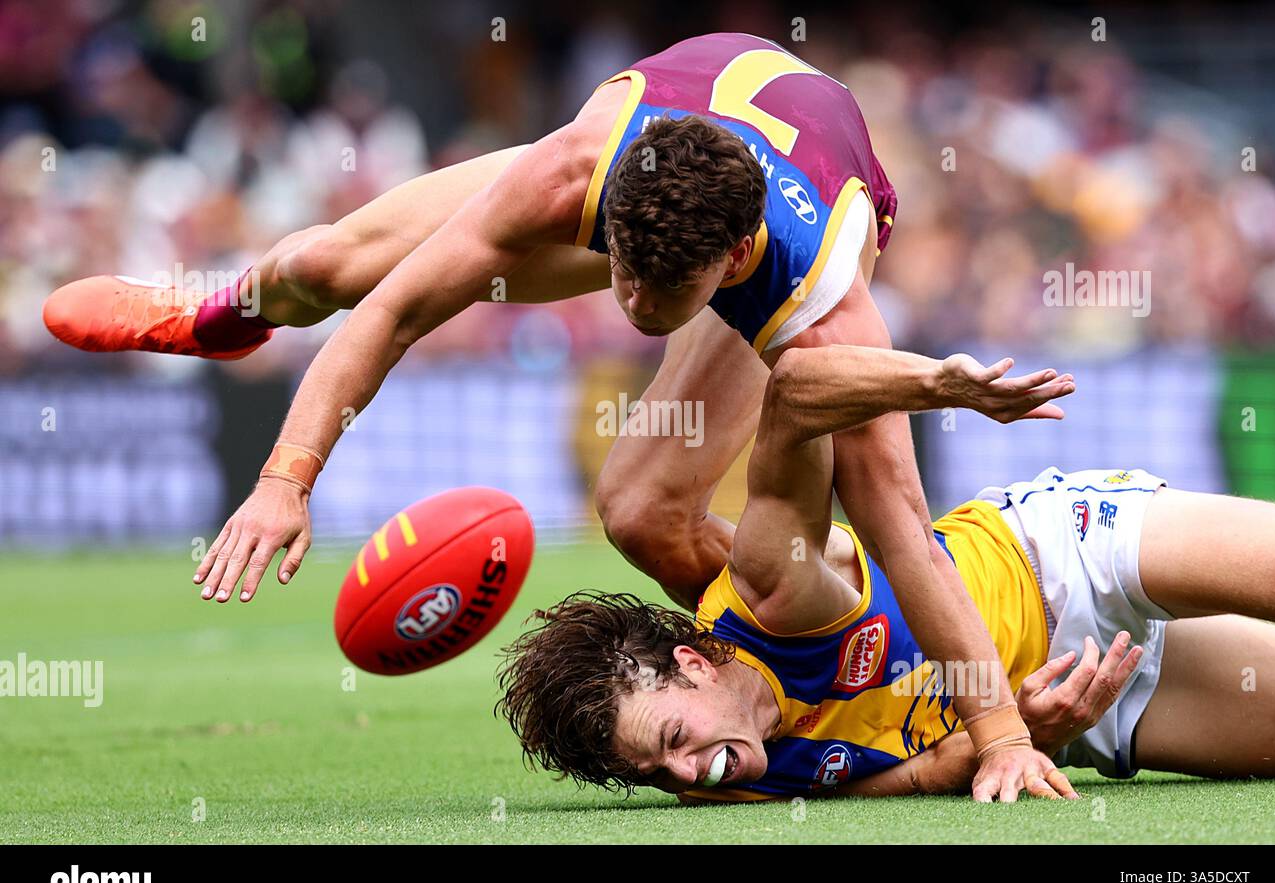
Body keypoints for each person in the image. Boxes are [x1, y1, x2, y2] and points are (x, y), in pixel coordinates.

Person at [43, 33, 1075, 799]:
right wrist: (284, 479)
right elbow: (398, 311)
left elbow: (899, 517)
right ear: (608, 228)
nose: (626, 311)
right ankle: (224, 310)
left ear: (731, 266)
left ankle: (804, 647)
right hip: (659, 146)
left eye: (657, 301)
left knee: (637, 509)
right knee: (332, 266)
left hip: (801, 197)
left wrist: (996, 730)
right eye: (618, 276)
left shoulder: (818, 302)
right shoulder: (575, 177)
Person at [496, 345, 1275, 802]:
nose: (683, 772)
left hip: (1061, 558)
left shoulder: (774, 589)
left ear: (694, 661)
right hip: (1085, 705)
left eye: (673, 739)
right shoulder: (725, 779)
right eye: (653, 772)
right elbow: (916, 775)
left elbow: (796, 390)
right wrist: (1018, 730)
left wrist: (940, 384)